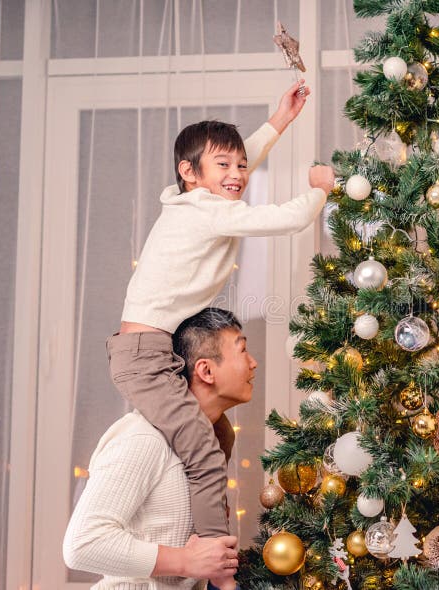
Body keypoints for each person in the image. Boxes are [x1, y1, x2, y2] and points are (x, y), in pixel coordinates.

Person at [105, 79, 333, 588]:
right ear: (189, 173)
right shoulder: (206, 210)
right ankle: (218, 573)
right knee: (205, 453)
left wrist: (280, 119)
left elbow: (236, 160)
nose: (237, 175)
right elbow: (286, 218)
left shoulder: (189, 200)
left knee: (220, 433)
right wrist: (320, 189)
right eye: (223, 166)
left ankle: (195, 524)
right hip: (144, 356)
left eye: (240, 166)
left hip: (160, 349)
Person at [64, 308, 257, 589]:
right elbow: (82, 543)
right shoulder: (144, 437)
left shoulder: (210, 447)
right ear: (206, 371)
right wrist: (185, 561)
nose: (253, 363)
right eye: (243, 351)